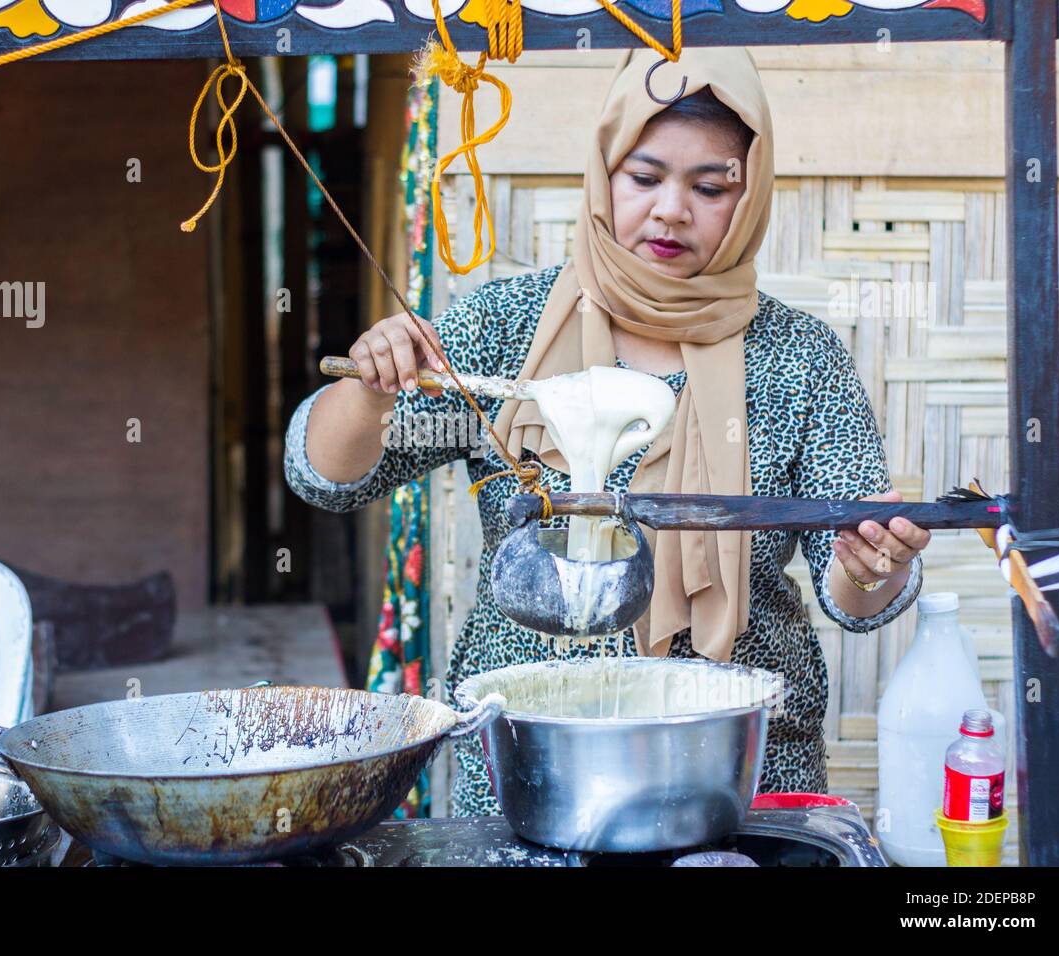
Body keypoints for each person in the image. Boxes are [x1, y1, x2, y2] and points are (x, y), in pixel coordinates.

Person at [284, 46, 931, 815]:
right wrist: (371, 387)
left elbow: (858, 594)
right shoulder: (507, 328)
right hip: (532, 769)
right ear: (604, 174)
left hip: (738, 775)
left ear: (750, 194)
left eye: (711, 186)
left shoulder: (799, 358)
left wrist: (872, 564)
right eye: (645, 177)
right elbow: (327, 477)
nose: (671, 211)